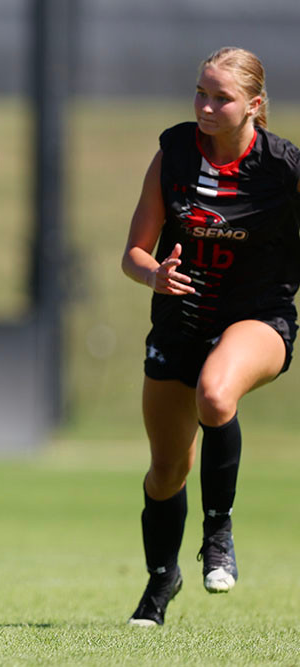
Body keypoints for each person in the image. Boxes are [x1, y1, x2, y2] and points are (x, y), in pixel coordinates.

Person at [121, 46, 300, 627]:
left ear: (254, 105)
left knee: (216, 394)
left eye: (220, 97)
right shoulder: (173, 150)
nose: (205, 105)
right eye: (200, 92)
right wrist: (155, 274)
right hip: (179, 323)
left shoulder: (282, 167)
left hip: (258, 319)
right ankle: (158, 584)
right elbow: (133, 255)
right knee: (167, 470)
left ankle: (217, 531)